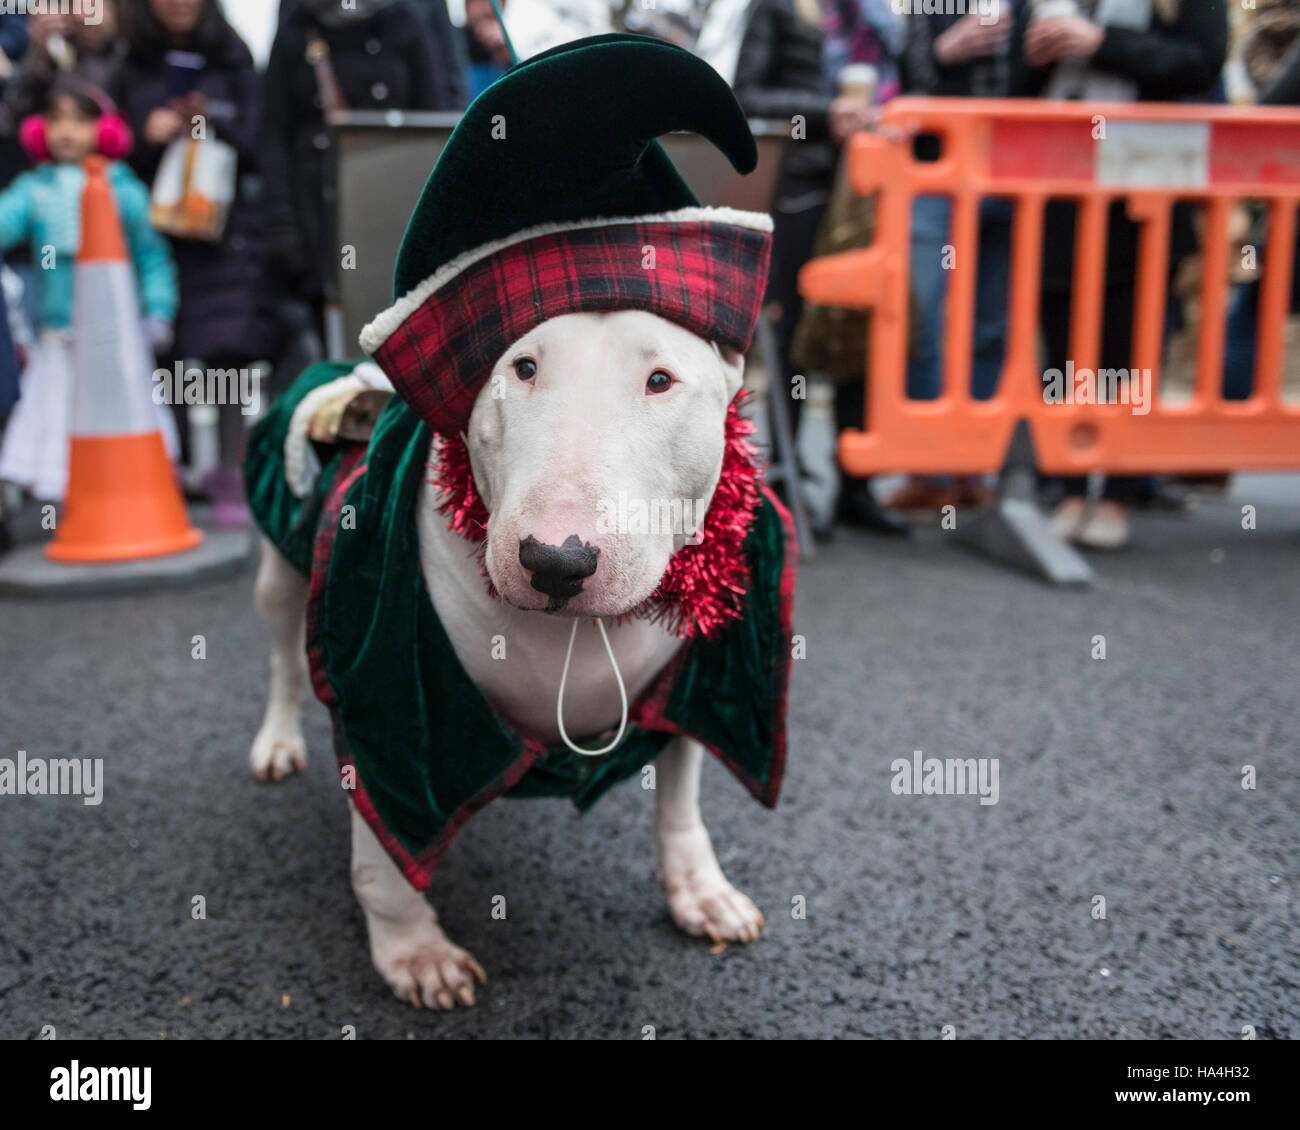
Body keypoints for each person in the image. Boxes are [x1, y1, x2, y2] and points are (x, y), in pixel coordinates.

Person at [1024, 0, 1227, 549]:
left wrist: (1098, 42)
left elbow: (1203, 63)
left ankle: (1116, 490)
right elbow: (1014, 86)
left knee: (1128, 344)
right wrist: (1035, 53)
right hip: (1059, 182)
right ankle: (1067, 485)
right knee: (1066, 343)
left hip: (1145, 187)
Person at [734, 0, 905, 536]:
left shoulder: (890, 18)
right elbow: (748, 93)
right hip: (805, 184)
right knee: (798, 330)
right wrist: (824, 110)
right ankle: (790, 489)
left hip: (879, 182)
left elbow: (920, 82)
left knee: (870, 323)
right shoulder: (779, 7)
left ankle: (857, 483)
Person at [114, 0, 273, 525]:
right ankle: (174, 473)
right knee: (166, 351)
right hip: (154, 238)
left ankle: (228, 472)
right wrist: (145, 136)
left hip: (224, 232)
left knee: (227, 350)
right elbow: (107, 145)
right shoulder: (129, 63)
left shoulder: (233, 57)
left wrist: (209, 124)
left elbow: (259, 140)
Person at [0, 74, 177, 503]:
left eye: (80, 121)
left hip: (120, 336)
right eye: (56, 120)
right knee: (55, 413)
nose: (67, 131)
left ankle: (128, 491)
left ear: (105, 129)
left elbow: (152, 256)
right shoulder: (34, 191)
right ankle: (70, 499)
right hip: (59, 333)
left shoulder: (125, 190)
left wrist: (158, 310)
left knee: (124, 408)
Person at [261, 0, 448, 326]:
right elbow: (273, 136)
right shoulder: (297, 28)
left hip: (396, 219)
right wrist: (283, 228)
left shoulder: (403, 22)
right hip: (320, 224)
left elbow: (433, 131)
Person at [464, 0, 512, 97]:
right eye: (480, 1)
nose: (487, 8)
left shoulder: (508, 46)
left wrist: (503, 53)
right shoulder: (454, 40)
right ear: (467, 6)